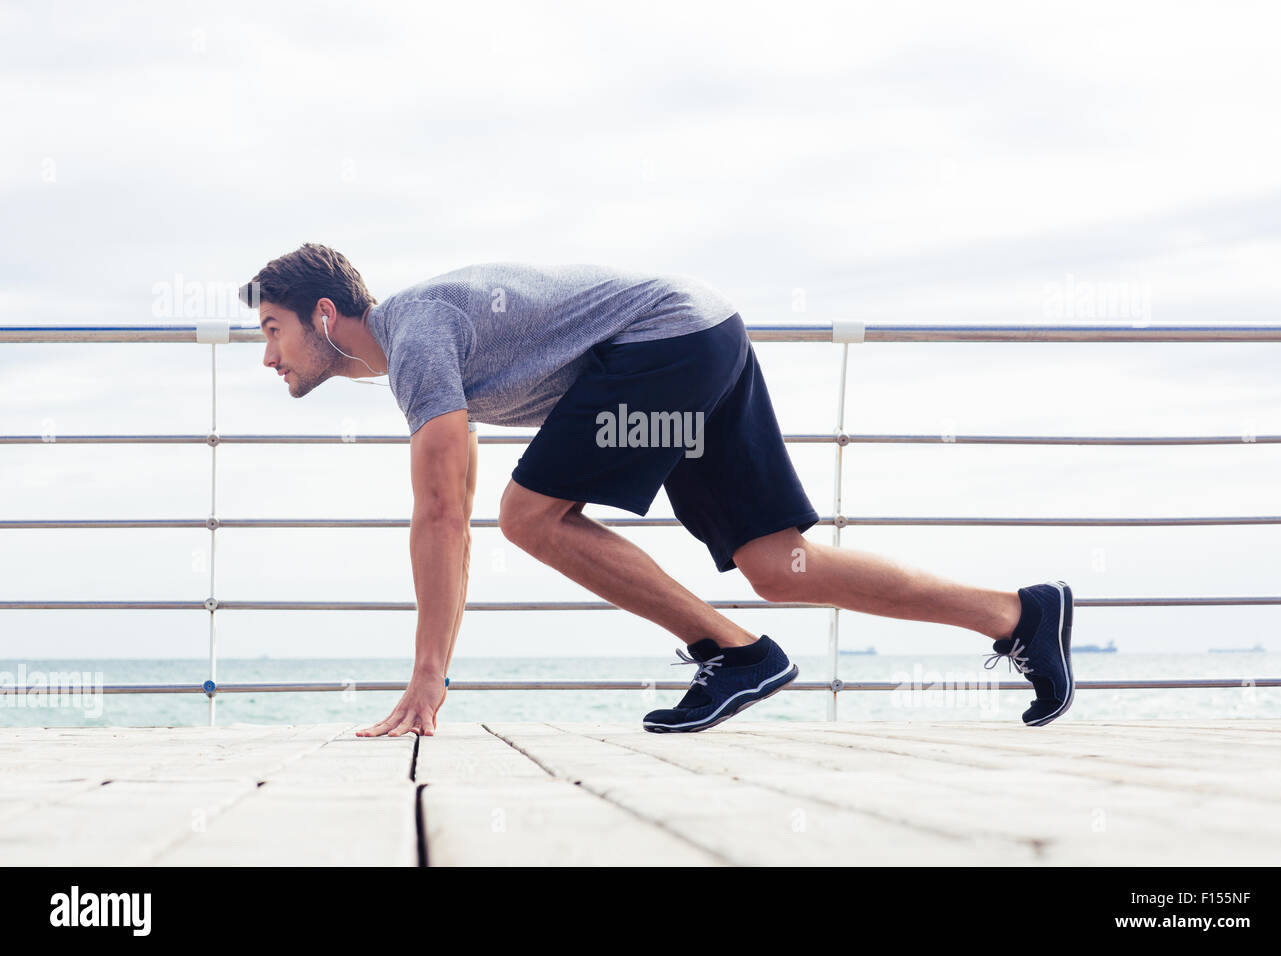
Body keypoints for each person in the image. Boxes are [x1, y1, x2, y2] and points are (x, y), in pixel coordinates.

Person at [243, 242, 1074, 737]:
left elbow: (442, 514)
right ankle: (1019, 614)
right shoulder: (422, 337)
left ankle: (736, 653)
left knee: (527, 517)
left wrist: (429, 677)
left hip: (666, 341)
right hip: (700, 333)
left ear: (323, 315)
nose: (269, 357)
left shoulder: (413, 331)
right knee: (776, 564)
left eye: (272, 331)